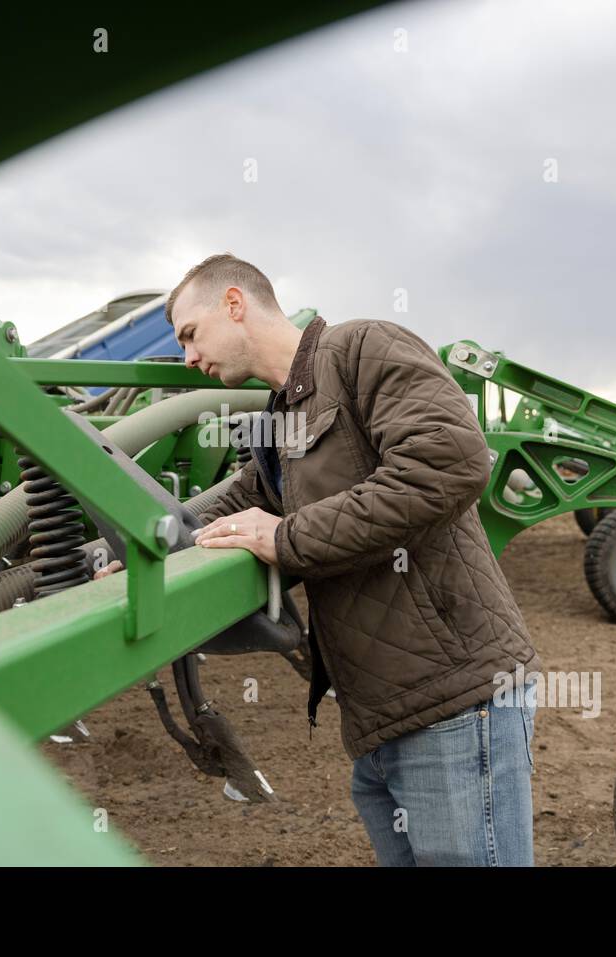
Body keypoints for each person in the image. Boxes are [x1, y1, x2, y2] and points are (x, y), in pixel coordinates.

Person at [99, 253, 542, 866]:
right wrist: (146, 551)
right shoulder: (284, 415)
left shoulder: (365, 348)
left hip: (453, 701)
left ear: (235, 303)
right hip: (380, 715)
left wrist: (286, 539)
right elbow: (232, 509)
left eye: (190, 335)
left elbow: (448, 464)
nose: (188, 359)